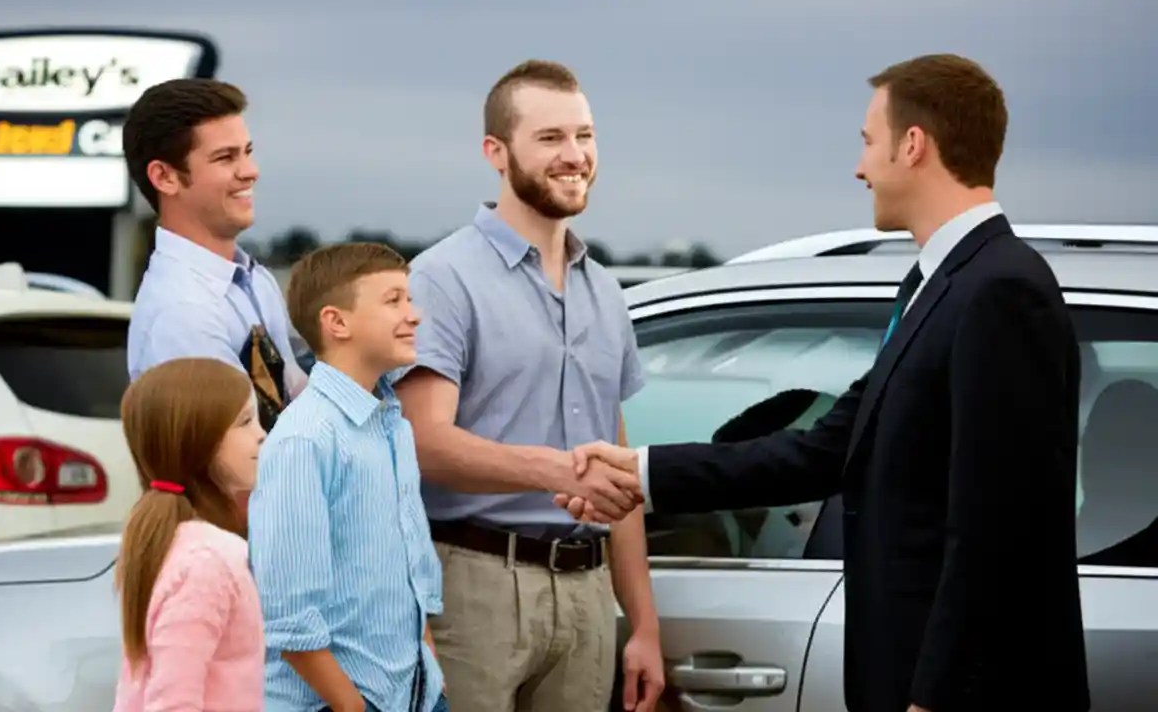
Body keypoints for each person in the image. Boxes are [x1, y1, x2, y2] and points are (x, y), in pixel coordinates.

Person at [563, 53, 1091, 712]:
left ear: (913, 145)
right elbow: (825, 450)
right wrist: (638, 472)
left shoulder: (1000, 291)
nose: (859, 167)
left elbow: (996, 527)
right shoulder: (940, 285)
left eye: (868, 142)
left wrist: (935, 698)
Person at [393, 59, 664, 712]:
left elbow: (617, 476)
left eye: (584, 136)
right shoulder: (442, 279)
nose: (575, 156)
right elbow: (422, 443)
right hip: (475, 587)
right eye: (550, 138)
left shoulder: (606, 292)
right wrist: (557, 471)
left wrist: (644, 625)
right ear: (496, 151)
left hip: (588, 593)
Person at [248, 242, 447, 712]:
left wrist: (430, 682)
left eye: (409, 299)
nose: (414, 315)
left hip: (413, 695)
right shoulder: (305, 439)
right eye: (393, 300)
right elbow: (290, 619)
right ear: (336, 323)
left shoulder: (393, 424)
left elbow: (412, 579)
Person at [123, 78, 307, 431]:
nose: (250, 171)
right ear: (165, 177)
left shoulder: (253, 279)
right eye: (225, 158)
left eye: (247, 152)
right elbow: (237, 452)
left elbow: (294, 395)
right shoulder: (181, 313)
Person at [111, 357, 268, 712]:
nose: (261, 434)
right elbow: (174, 701)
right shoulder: (207, 560)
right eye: (245, 422)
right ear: (198, 441)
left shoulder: (184, 545)